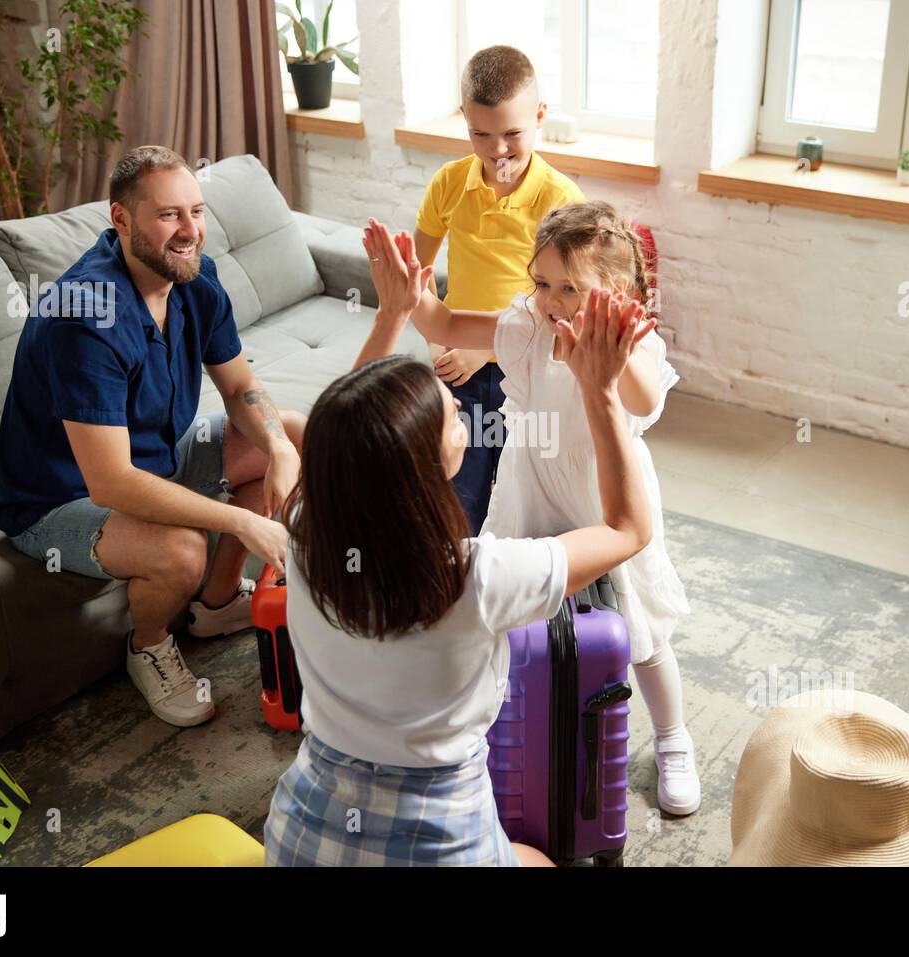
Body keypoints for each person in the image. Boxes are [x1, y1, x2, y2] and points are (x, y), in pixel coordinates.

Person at [263, 224, 656, 865]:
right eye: (450, 411)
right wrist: (598, 389)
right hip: (438, 847)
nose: (461, 404)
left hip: (301, 834)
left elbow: (342, 433)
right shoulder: (478, 575)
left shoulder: (305, 531)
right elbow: (627, 530)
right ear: (426, 466)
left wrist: (393, 315)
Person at [355, 210, 701, 816]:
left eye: (571, 288)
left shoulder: (631, 339)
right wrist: (411, 295)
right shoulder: (526, 324)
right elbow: (451, 322)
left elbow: (644, 397)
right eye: (542, 283)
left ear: (615, 293)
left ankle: (673, 738)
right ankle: (512, 725)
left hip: (605, 497)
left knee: (641, 633)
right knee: (515, 621)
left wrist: (605, 361)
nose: (552, 300)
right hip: (533, 490)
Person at [0, 145, 301, 728]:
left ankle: (215, 605)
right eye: (169, 216)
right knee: (180, 549)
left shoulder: (194, 276)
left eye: (197, 211)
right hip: (60, 497)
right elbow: (110, 482)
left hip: (152, 459)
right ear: (122, 220)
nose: (190, 231)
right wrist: (242, 520)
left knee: (291, 433)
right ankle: (150, 646)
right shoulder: (83, 316)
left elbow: (239, 390)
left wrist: (280, 447)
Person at [413, 45, 584, 533]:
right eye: (480, 134)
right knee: (455, 497)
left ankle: (523, 595)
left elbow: (565, 307)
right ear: (464, 117)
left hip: (526, 367)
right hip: (459, 370)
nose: (498, 150)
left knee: (525, 494)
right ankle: (460, 593)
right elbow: (416, 272)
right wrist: (438, 339)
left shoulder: (561, 200)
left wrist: (484, 350)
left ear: (540, 116)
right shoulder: (448, 184)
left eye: (513, 133)